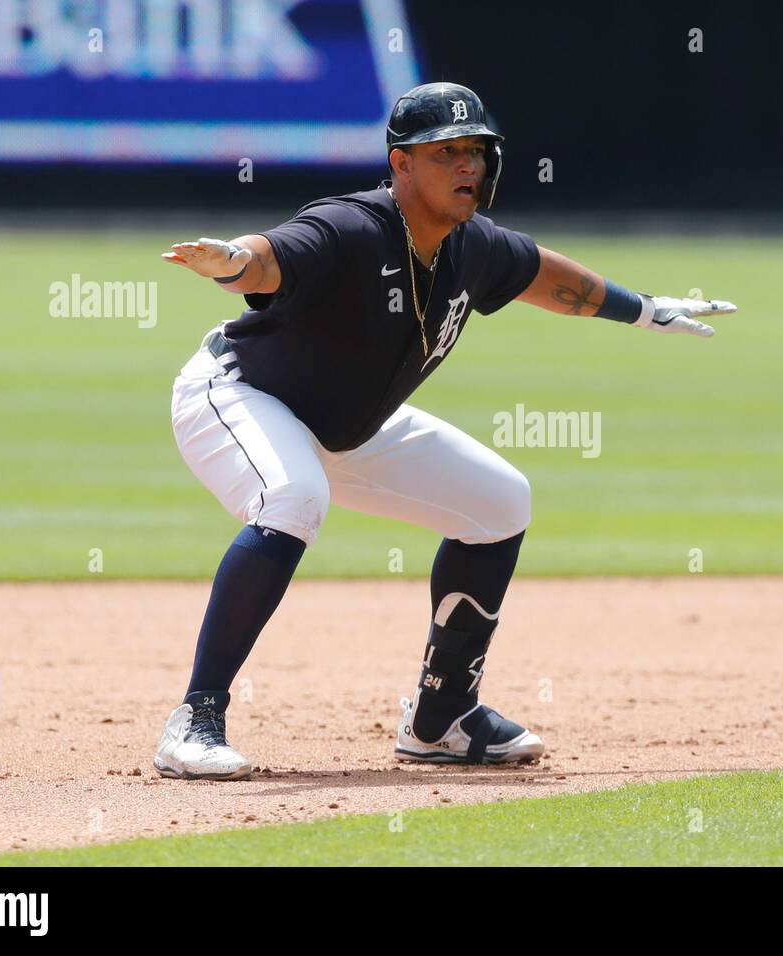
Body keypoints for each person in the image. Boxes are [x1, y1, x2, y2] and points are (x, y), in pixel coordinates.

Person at [154, 82, 736, 779]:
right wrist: (234, 263)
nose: (468, 166)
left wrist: (642, 309)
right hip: (240, 394)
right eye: (446, 153)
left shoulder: (473, 246)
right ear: (400, 165)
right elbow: (273, 256)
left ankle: (442, 720)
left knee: (499, 501)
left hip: (348, 421)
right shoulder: (349, 226)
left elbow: (544, 275)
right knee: (293, 498)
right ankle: (196, 718)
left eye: (477, 151)